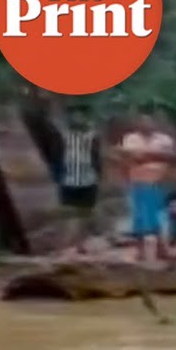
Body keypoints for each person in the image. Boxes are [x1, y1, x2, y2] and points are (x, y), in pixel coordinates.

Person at [119, 115, 176, 262]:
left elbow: (171, 157)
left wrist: (145, 156)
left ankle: (160, 250)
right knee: (140, 217)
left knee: (159, 217)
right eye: (143, 121)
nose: (146, 124)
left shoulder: (164, 139)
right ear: (138, 124)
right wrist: (157, 156)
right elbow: (130, 157)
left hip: (159, 182)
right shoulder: (130, 138)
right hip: (138, 182)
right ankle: (140, 251)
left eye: (149, 121)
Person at [53, 104, 103, 254]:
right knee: (67, 213)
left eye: (81, 115)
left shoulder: (93, 136)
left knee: (85, 213)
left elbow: (96, 156)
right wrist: (57, 175)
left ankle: (81, 244)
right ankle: (63, 245)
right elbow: (55, 155)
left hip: (88, 178)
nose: (78, 118)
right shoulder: (62, 136)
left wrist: (99, 175)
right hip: (68, 179)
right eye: (75, 115)